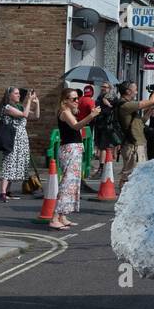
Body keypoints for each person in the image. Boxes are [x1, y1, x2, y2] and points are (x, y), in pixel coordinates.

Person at [51, 87, 100, 230]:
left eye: (77, 98)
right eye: (74, 99)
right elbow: (76, 126)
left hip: (74, 148)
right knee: (67, 184)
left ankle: (63, 216)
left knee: (72, 184)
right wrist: (92, 115)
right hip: (69, 149)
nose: (77, 101)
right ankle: (55, 217)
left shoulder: (69, 112)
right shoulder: (65, 112)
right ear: (65, 101)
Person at [117, 80, 154, 188]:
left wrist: (151, 109)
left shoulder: (128, 106)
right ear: (128, 91)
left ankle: (130, 197)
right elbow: (150, 101)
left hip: (137, 144)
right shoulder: (125, 105)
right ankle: (125, 198)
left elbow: (141, 122)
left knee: (137, 174)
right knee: (130, 174)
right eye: (135, 90)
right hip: (132, 145)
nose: (136, 92)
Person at [0, 86, 39, 201]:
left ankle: (8, 192)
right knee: (9, 164)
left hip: (21, 140)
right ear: (9, 95)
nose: (19, 95)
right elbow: (24, 115)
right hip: (11, 139)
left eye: (18, 93)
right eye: (16, 93)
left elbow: (36, 116)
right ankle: (2, 193)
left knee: (15, 165)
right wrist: (29, 101)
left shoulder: (20, 107)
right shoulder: (7, 107)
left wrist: (37, 103)